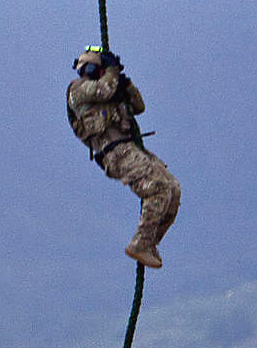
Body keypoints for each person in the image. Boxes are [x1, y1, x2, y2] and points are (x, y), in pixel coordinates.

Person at [66, 46, 180, 268]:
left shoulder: (112, 88)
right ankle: (140, 243)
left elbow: (139, 106)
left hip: (131, 148)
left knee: (172, 188)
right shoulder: (78, 90)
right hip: (115, 153)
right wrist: (112, 72)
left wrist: (125, 84)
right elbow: (104, 90)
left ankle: (149, 242)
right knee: (157, 187)